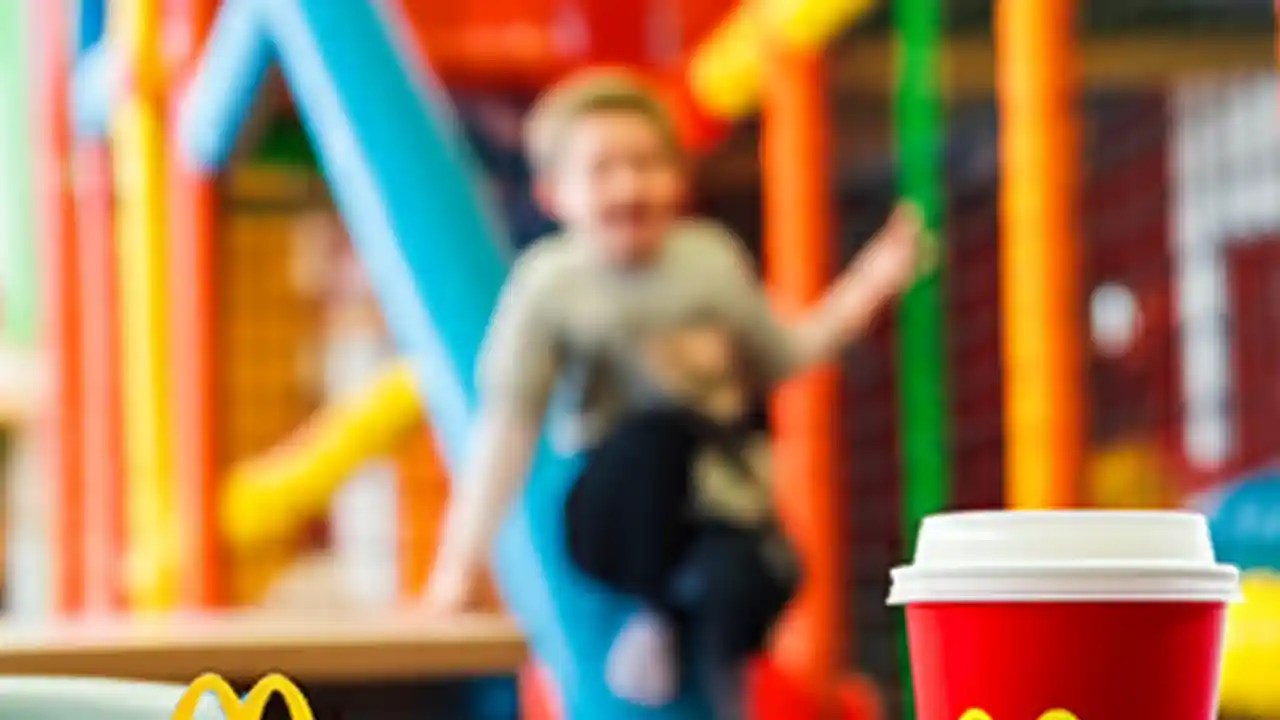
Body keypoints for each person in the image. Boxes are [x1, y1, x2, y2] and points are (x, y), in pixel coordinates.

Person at [423, 69, 924, 717]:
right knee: (655, 437)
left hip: (712, 512)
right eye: (603, 170)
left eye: (646, 165)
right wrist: (459, 567)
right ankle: (654, 611)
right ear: (554, 193)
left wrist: (869, 285)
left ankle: (716, 686)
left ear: (678, 177)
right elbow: (507, 430)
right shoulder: (549, 286)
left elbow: (785, 353)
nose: (629, 186)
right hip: (615, 513)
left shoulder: (707, 263)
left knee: (752, 575)